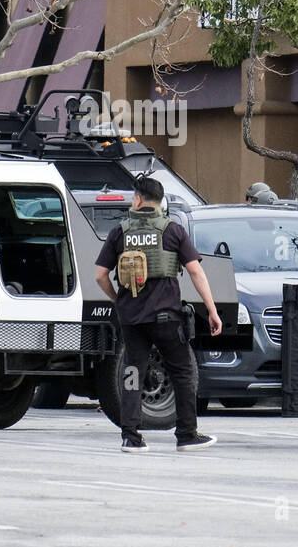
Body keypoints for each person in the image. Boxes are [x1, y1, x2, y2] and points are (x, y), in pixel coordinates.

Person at [95, 174, 223, 452]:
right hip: (167, 317)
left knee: (132, 372)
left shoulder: (120, 231)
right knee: (183, 373)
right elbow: (195, 271)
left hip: (132, 319)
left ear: (138, 199)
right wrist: (212, 311)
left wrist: (119, 300)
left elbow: (101, 276)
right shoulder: (172, 230)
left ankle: (131, 437)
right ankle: (187, 435)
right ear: (160, 201)